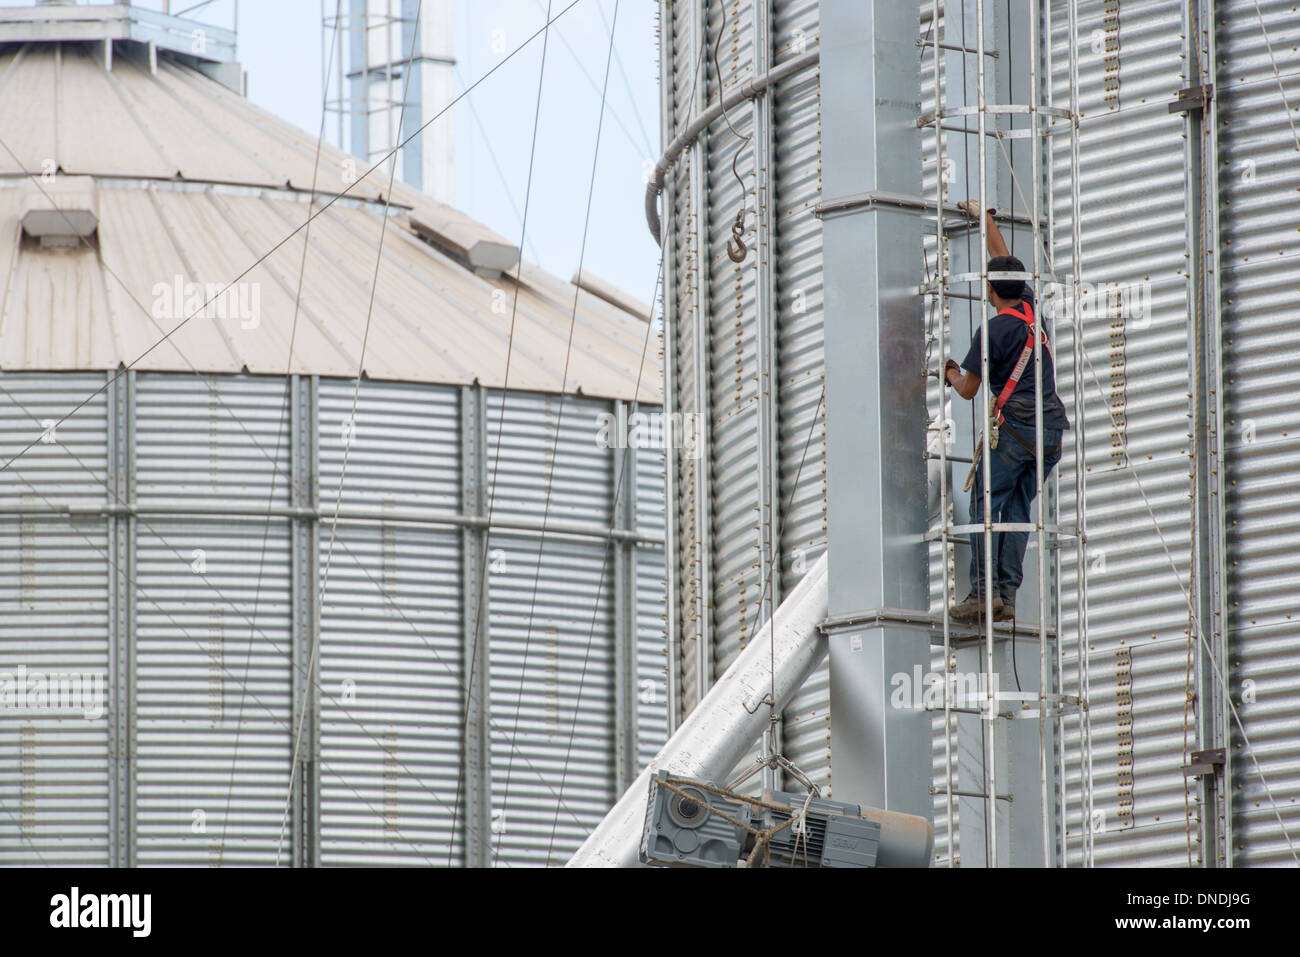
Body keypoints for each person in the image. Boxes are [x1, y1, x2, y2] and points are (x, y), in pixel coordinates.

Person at [942, 200, 1070, 622]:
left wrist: (949, 372)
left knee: (983, 499)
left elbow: (967, 391)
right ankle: (1007, 598)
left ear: (989, 291)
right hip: (1051, 433)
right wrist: (987, 220)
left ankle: (983, 593)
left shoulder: (992, 330)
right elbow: (1002, 261)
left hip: (1017, 431)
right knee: (1016, 509)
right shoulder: (1031, 310)